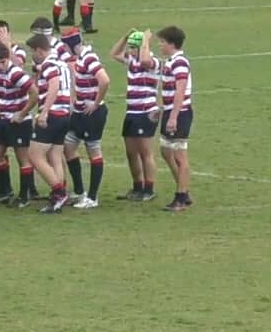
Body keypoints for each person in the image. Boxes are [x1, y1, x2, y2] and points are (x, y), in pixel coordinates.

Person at [61, 28, 110, 209]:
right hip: (80, 113)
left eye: (65, 46)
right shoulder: (81, 58)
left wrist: (96, 103)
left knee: (93, 151)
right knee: (69, 146)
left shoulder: (89, 58)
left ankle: (92, 197)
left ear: (70, 45)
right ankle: (80, 192)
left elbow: (104, 80)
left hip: (92, 114)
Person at [110, 29, 160, 202]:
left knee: (145, 152)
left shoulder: (153, 61)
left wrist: (145, 40)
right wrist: (124, 37)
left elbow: (145, 60)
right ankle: (137, 186)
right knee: (131, 152)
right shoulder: (132, 60)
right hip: (132, 111)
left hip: (146, 112)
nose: (129, 50)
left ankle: (149, 188)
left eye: (132, 47)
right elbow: (114, 54)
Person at [26, 34, 72, 213]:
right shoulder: (62, 63)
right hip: (64, 114)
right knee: (55, 156)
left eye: (32, 51)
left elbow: (54, 85)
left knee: (34, 155)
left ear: (39, 50)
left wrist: (44, 111)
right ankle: (58, 198)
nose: (32, 55)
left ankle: (59, 192)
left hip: (52, 115)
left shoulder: (49, 64)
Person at [0, 43, 35, 207]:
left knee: (22, 158)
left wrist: (22, 114)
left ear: (8, 59)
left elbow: (34, 94)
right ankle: (5, 191)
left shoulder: (16, 74)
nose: (0, 66)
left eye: (3, 62)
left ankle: (25, 195)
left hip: (19, 122)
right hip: (4, 119)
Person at [156, 26, 194, 212]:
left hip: (180, 113)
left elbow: (180, 90)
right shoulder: (171, 61)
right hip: (170, 111)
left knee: (180, 155)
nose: (160, 45)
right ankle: (183, 190)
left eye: (162, 42)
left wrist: (173, 117)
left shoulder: (179, 63)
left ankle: (181, 196)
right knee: (165, 150)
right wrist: (162, 108)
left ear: (171, 44)